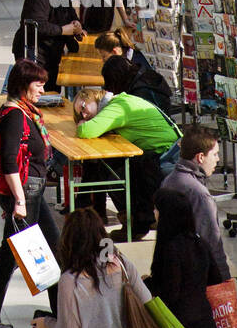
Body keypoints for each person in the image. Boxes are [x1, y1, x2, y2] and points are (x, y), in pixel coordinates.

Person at [0, 58, 59, 328]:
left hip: (32, 192)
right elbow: (9, 162)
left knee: (53, 247)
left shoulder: (22, 111)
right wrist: (18, 201)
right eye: (38, 85)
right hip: (25, 194)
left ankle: (61, 312)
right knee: (9, 257)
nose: (42, 90)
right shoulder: (16, 116)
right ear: (23, 86)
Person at [33, 208, 151, 328]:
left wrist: (47, 323)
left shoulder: (70, 280)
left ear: (68, 241)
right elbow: (147, 300)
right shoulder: (122, 264)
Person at [74, 69, 180, 239]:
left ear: (93, 97)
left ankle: (136, 223)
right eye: (80, 114)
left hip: (168, 154)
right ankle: (134, 220)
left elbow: (87, 130)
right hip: (159, 151)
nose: (84, 114)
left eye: (83, 107)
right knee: (110, 167)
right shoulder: (117, 102)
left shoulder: (117, 106)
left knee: (115, 173)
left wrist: (82, 124)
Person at [148, 188, 223, 328]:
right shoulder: (199, 242)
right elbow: (215, 279)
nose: (154, 213)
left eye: (157, 209)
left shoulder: (170, 249)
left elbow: (169, 294)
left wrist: (148, 284)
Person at [157, 124, 230, 281]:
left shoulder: (168, 180)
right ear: (200, 157)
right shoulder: (199, 194)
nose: (218, 159)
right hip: (196, 276)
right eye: (215, 154)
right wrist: (225, 279)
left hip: (169, 269)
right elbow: (212, 241)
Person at [12, 0, 82, 90]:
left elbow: (68, 12)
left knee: (52, 91)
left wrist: (76, 23)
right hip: (34, 52)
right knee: (39, 92)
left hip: (50, 52)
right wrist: (62, 30)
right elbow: (35, 24)